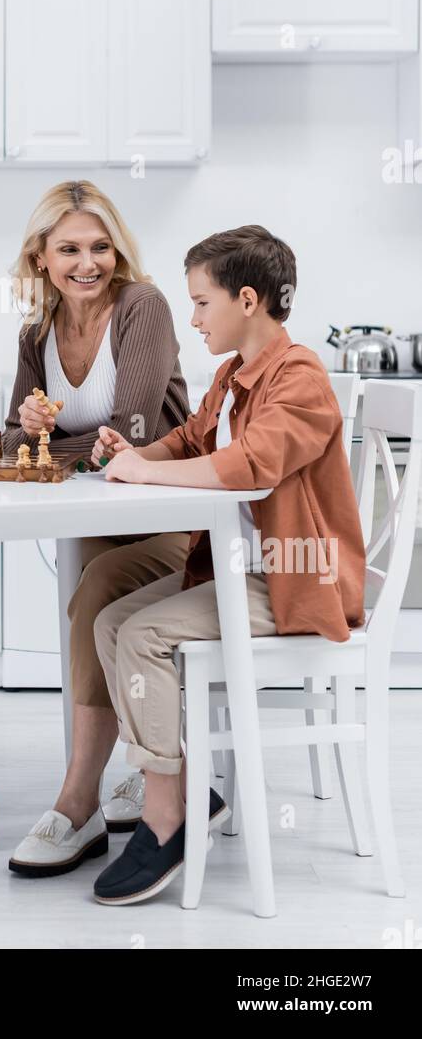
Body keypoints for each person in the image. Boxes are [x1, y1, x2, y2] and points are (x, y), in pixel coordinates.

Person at [87, 224, 366, 904]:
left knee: (142, 635)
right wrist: (130, 456)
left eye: (201, 302)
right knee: (109, 620)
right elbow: (187, 439)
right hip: (245, 576)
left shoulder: (297, 375)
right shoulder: (231, 378)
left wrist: (147, 478)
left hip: (295, 580)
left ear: (247, 300)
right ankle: (181, 788)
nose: (192, 317)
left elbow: (253, 464)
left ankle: (166, 817)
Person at [4, 181, 192, 876]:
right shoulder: (35, 333)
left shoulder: (142, 307)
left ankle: (76, 802)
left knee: (92, 597)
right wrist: (27, 432)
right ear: (40, 257)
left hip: (173, 516)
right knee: (88, 597)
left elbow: (137, 434)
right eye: (69, 249)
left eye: (100, 246)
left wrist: (46, 450)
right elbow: (7, 446)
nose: (87, 263)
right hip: (97, 514)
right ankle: (119, 781)